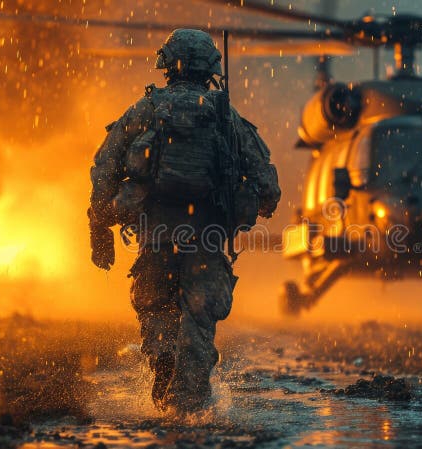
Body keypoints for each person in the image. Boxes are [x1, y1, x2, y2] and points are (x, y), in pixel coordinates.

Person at [87, 29, 280, 412]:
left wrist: (100, 221)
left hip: (155, 236)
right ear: (211, 68)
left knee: (157, 310)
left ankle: (162, 370)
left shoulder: (145, 110)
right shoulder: (225, 117)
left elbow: (104, 167)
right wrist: (248, 205)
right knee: (198, 321)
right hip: (207, 239)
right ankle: (190, 408)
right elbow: (268, 187)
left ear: (166, 65)